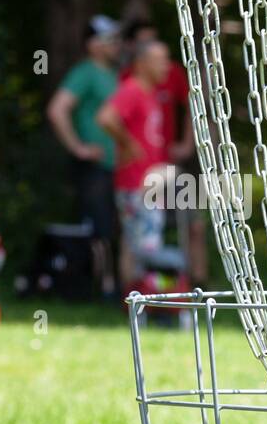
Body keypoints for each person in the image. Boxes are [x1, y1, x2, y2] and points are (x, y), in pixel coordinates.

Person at [121, 20, 207, 285]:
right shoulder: (131, 83)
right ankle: (135, 294)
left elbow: (195, 103)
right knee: (139, 234)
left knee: (192, 221)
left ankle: (194, 285)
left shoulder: (172, 75)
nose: (164, 63)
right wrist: (127, 145)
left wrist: (186, 143)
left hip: (168, 166)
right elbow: (111, 117)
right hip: (140, 174)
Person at [96, 39, 186, 285]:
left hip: (148, 183)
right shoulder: (133, 89)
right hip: (137, 183)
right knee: (145, 246)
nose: (166, 67)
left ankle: (137, 303)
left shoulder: (151, 94)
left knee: (134, 244)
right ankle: (143, 304)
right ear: (142, 64)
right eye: (160, 61)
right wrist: (127, 143)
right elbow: (106, 117)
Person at [45, 15, 122, 297]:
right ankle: (102, 289)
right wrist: (78, 147)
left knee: (116, 226)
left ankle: (117, 287)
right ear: (92, 45)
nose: (115, 44)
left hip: (118, 165)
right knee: (99, 229)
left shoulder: (115, 74)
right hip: (94, 166)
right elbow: (57, 109)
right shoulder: (85, 72)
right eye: (108, 39)